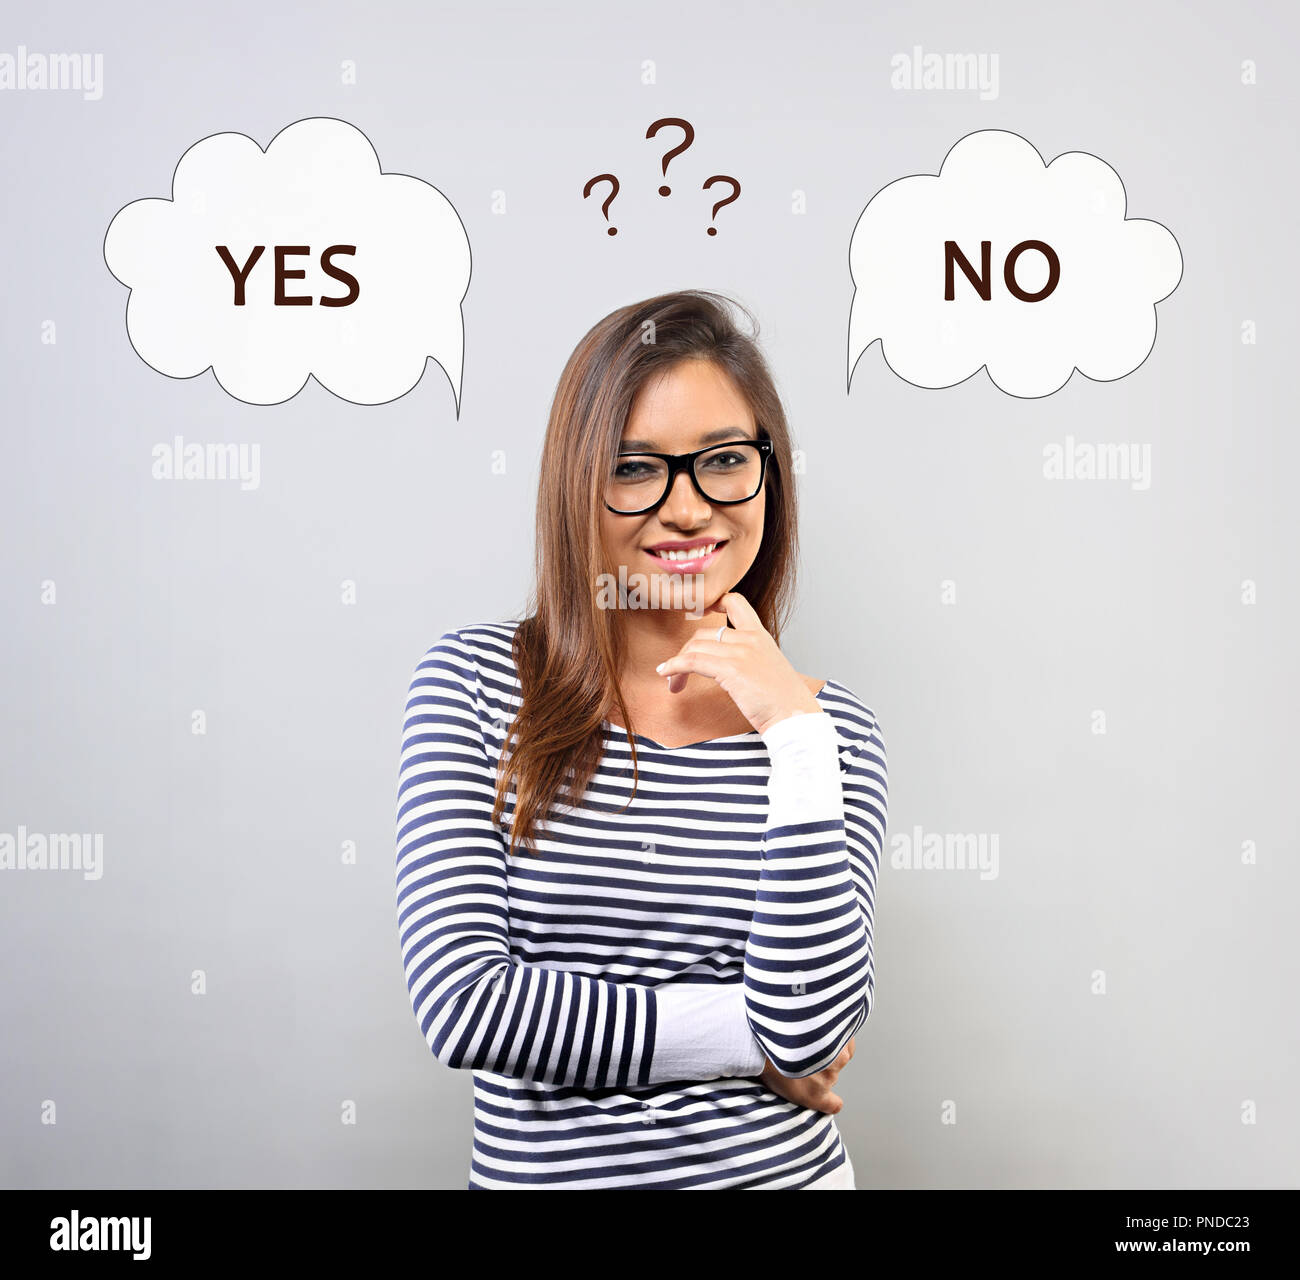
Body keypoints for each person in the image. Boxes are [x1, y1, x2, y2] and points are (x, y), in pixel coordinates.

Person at [395, 289, 888, 1189]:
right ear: (578, 480)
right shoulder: (474, 686)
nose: (689, 509)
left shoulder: (831, 733)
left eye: (725, 461)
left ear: (767, 475)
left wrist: (796, 737)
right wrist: (750, 1035)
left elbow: (813, 1030)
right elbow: (465, 1006)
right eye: (635, 467)